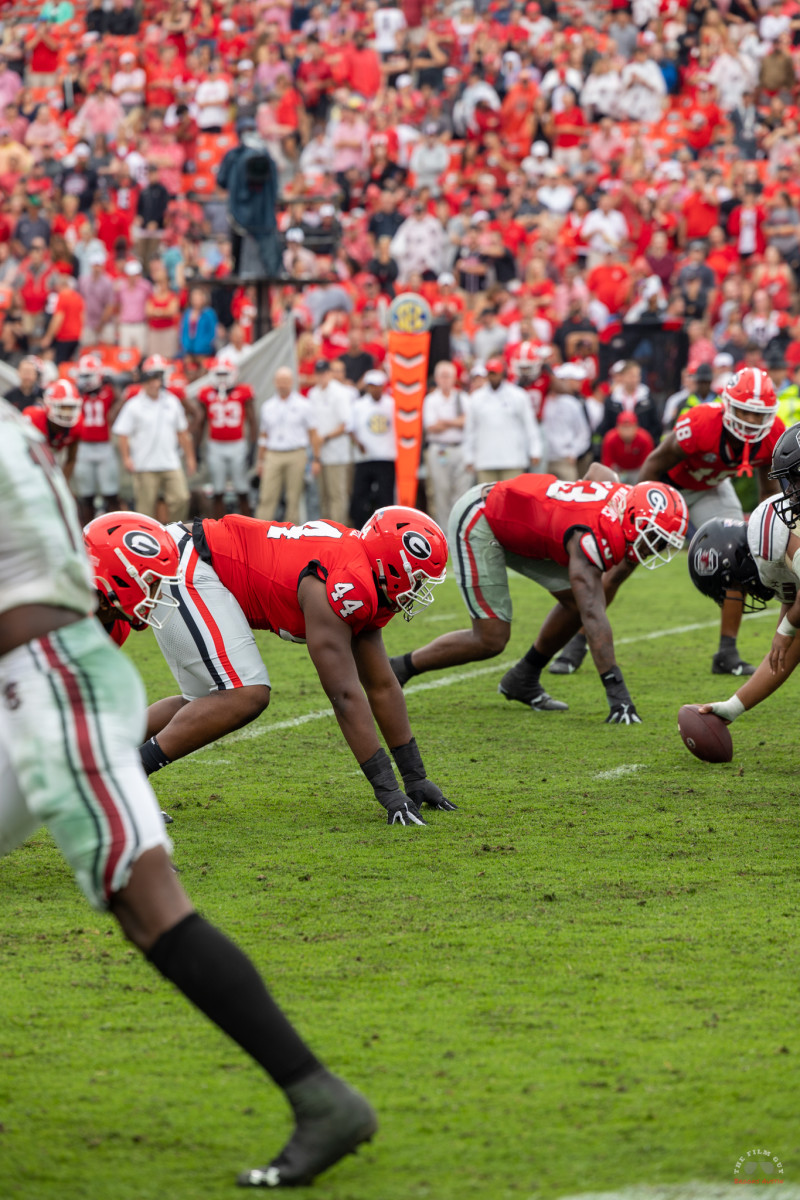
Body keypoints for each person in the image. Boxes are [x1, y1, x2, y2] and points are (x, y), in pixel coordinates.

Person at [0, 399, 378, 1190]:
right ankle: (321, 1098)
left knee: (152, 906)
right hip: (60, 675)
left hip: (37, 686)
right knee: (152, 908)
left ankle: (322, 1100)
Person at [84, 505, 454, 827]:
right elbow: (344, 694)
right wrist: (387, 790)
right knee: (246, 694)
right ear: (391, 562)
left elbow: (382, 684)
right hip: (188, 561)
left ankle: (103, 753)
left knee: (206, 701)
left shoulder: (363, 576)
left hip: (196, 558)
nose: (419, 588)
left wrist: (414, 777)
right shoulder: (344, 582)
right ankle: (125, 777)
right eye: (418, 577)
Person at [389, 471, 689, 722]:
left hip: (521, 521)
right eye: (655, 538)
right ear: (633, 519)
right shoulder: (592, 535)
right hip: (483, 519)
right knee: (491, 639)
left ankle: (523, 678)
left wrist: (562, 507)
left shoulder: (623, 497)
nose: (656, 548)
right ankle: (400, 667)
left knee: (575, 601)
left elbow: (599, 471)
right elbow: (594, 614)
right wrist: (618, 694)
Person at [637, 367, 784, 676]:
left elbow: (768, 489)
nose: (752, 421)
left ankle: (726, 654)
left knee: (738, 557)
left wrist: (764, 534)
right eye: (745, 411)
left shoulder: (773, 434)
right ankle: (577, 640)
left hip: (711, 489)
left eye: (760, 415)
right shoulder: (701, 422)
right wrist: (644, 513)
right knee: (626, 558)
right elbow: (653, 464)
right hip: (668, 489)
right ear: (728, 404)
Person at [111, 356, 197, 521]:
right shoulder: (134, 404)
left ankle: (174, 531)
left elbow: (182, 433)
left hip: (170, 461)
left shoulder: (172, 402)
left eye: (156, 379)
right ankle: (147, 539)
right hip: (145, 464)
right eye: (149, 380)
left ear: (161, 380)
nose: (153, 383)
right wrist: (127, 458)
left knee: (181, 498)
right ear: (143, 382)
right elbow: (122, 433)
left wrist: (190, 458)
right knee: (145, 509)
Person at [462, 358, 542, 483]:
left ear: (502, 373)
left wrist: (535, 450)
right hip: (485, 459)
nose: (493, 376)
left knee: (512, 498)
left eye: (496, 373)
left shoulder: (518, 395)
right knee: (487, 499)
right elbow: (470, 430)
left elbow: (529, 425)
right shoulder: (476, 398)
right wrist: (469, 457)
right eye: (490, 373)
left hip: (513, 459)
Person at [196, 356, 257, 519]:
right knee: (218, 490)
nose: (222, 379)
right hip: (215, 445)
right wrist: (196, 447)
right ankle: (218, 529)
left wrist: (253, 447)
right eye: (219, 375)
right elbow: (201, 423)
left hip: (238, 444)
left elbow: (253, 421)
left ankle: (248, 527)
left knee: (242, 489)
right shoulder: (206, 393)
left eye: (225, 374)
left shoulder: (243, 392)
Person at [255, 366, 313, 525]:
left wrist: (314, 458)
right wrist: (260, 460)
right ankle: (261, 530)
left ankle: (291, 534)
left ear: (292, 382)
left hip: (296, 452)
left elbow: (312, 432)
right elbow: (263, 436)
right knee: (267, 495)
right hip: (273, 453)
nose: (283, 385)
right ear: (275, 382)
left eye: (286, 381)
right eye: (280, 381)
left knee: (294, 497)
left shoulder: (303, 405)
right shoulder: (268, 406)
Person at [422, 359, 473, 533]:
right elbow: (431, 426)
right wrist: (456, 422)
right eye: (442, 376)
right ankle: (443, 533)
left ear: (454, 378)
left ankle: (459, 532)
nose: (445, 380)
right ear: (436, 379)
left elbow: (468, 421)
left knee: (461, 492)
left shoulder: (462, 397)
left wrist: (445, 422)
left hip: (460, 447)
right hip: (439, 449)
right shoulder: (431, 399)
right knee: (441, 492)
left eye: (448, 376)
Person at [72, 352, 123, 525]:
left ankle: (116, 529)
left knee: (111, 494)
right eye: (82, 376)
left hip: (104, 447)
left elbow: (120, 402)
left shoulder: (108, 391)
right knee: (86, 496)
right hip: (83, 448)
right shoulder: (76, 394)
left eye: (87, 376)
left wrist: (113, 385)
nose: (83, 380)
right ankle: (86, 532)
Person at [308, 358, 353, 526]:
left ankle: (339, 533)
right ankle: (325, 534)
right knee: (324, 497)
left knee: (337, 496)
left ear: (329, 373)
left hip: (337, 452)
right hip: (320, 452)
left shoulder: (341, 392)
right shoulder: (313, 394)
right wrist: (316, 456)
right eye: (319, 374)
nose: (322, 377)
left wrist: (325, 437)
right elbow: (312, 428)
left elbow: (345, 425)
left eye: (324, 373)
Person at [350, 369, 396, 529]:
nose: (375, 389)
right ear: (367, 387)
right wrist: (359, 443)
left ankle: (387, 529)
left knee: (385, 498)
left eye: (378, 386)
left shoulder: (392, 404)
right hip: (365, 458)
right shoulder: (358, 405)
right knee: (360, 497)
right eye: (372, 386)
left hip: (386, 457)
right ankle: (360, 529)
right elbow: (351, 429)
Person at [23, 378, 85, 483]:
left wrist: (64, 484)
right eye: (63, 407)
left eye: (71, 408)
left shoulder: (78, 424)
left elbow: (71, 458)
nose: (66, 413)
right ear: (49, 404)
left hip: (54, 458)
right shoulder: (32, 418)